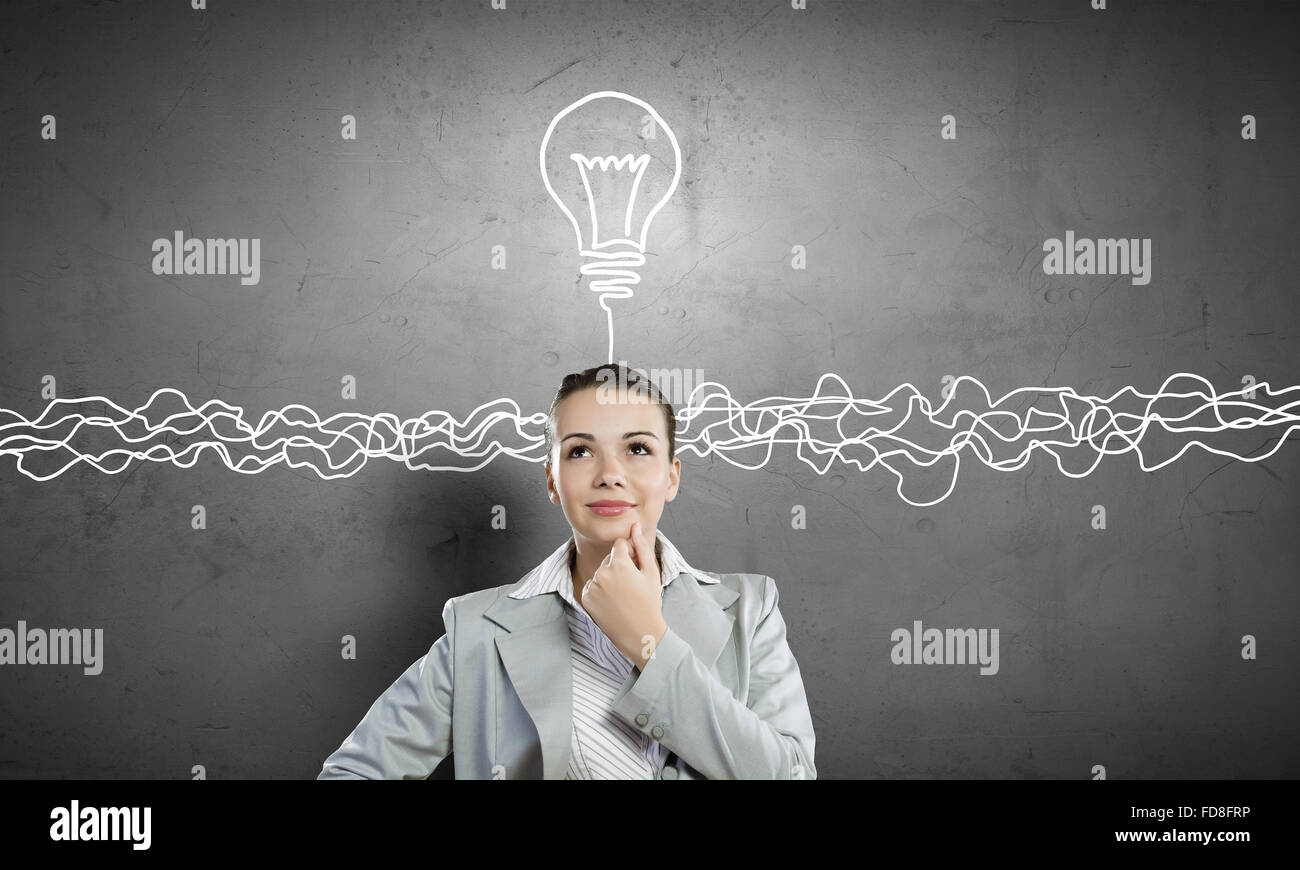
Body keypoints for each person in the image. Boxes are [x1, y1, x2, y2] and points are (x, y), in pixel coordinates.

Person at [316, 363, 816, 779]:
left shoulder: (750, 609)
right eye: (579, 451)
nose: (609, 473)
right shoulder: (478, 628)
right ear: (553, 481)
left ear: (672, 476)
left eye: (638, 448)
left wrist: (650, 641)